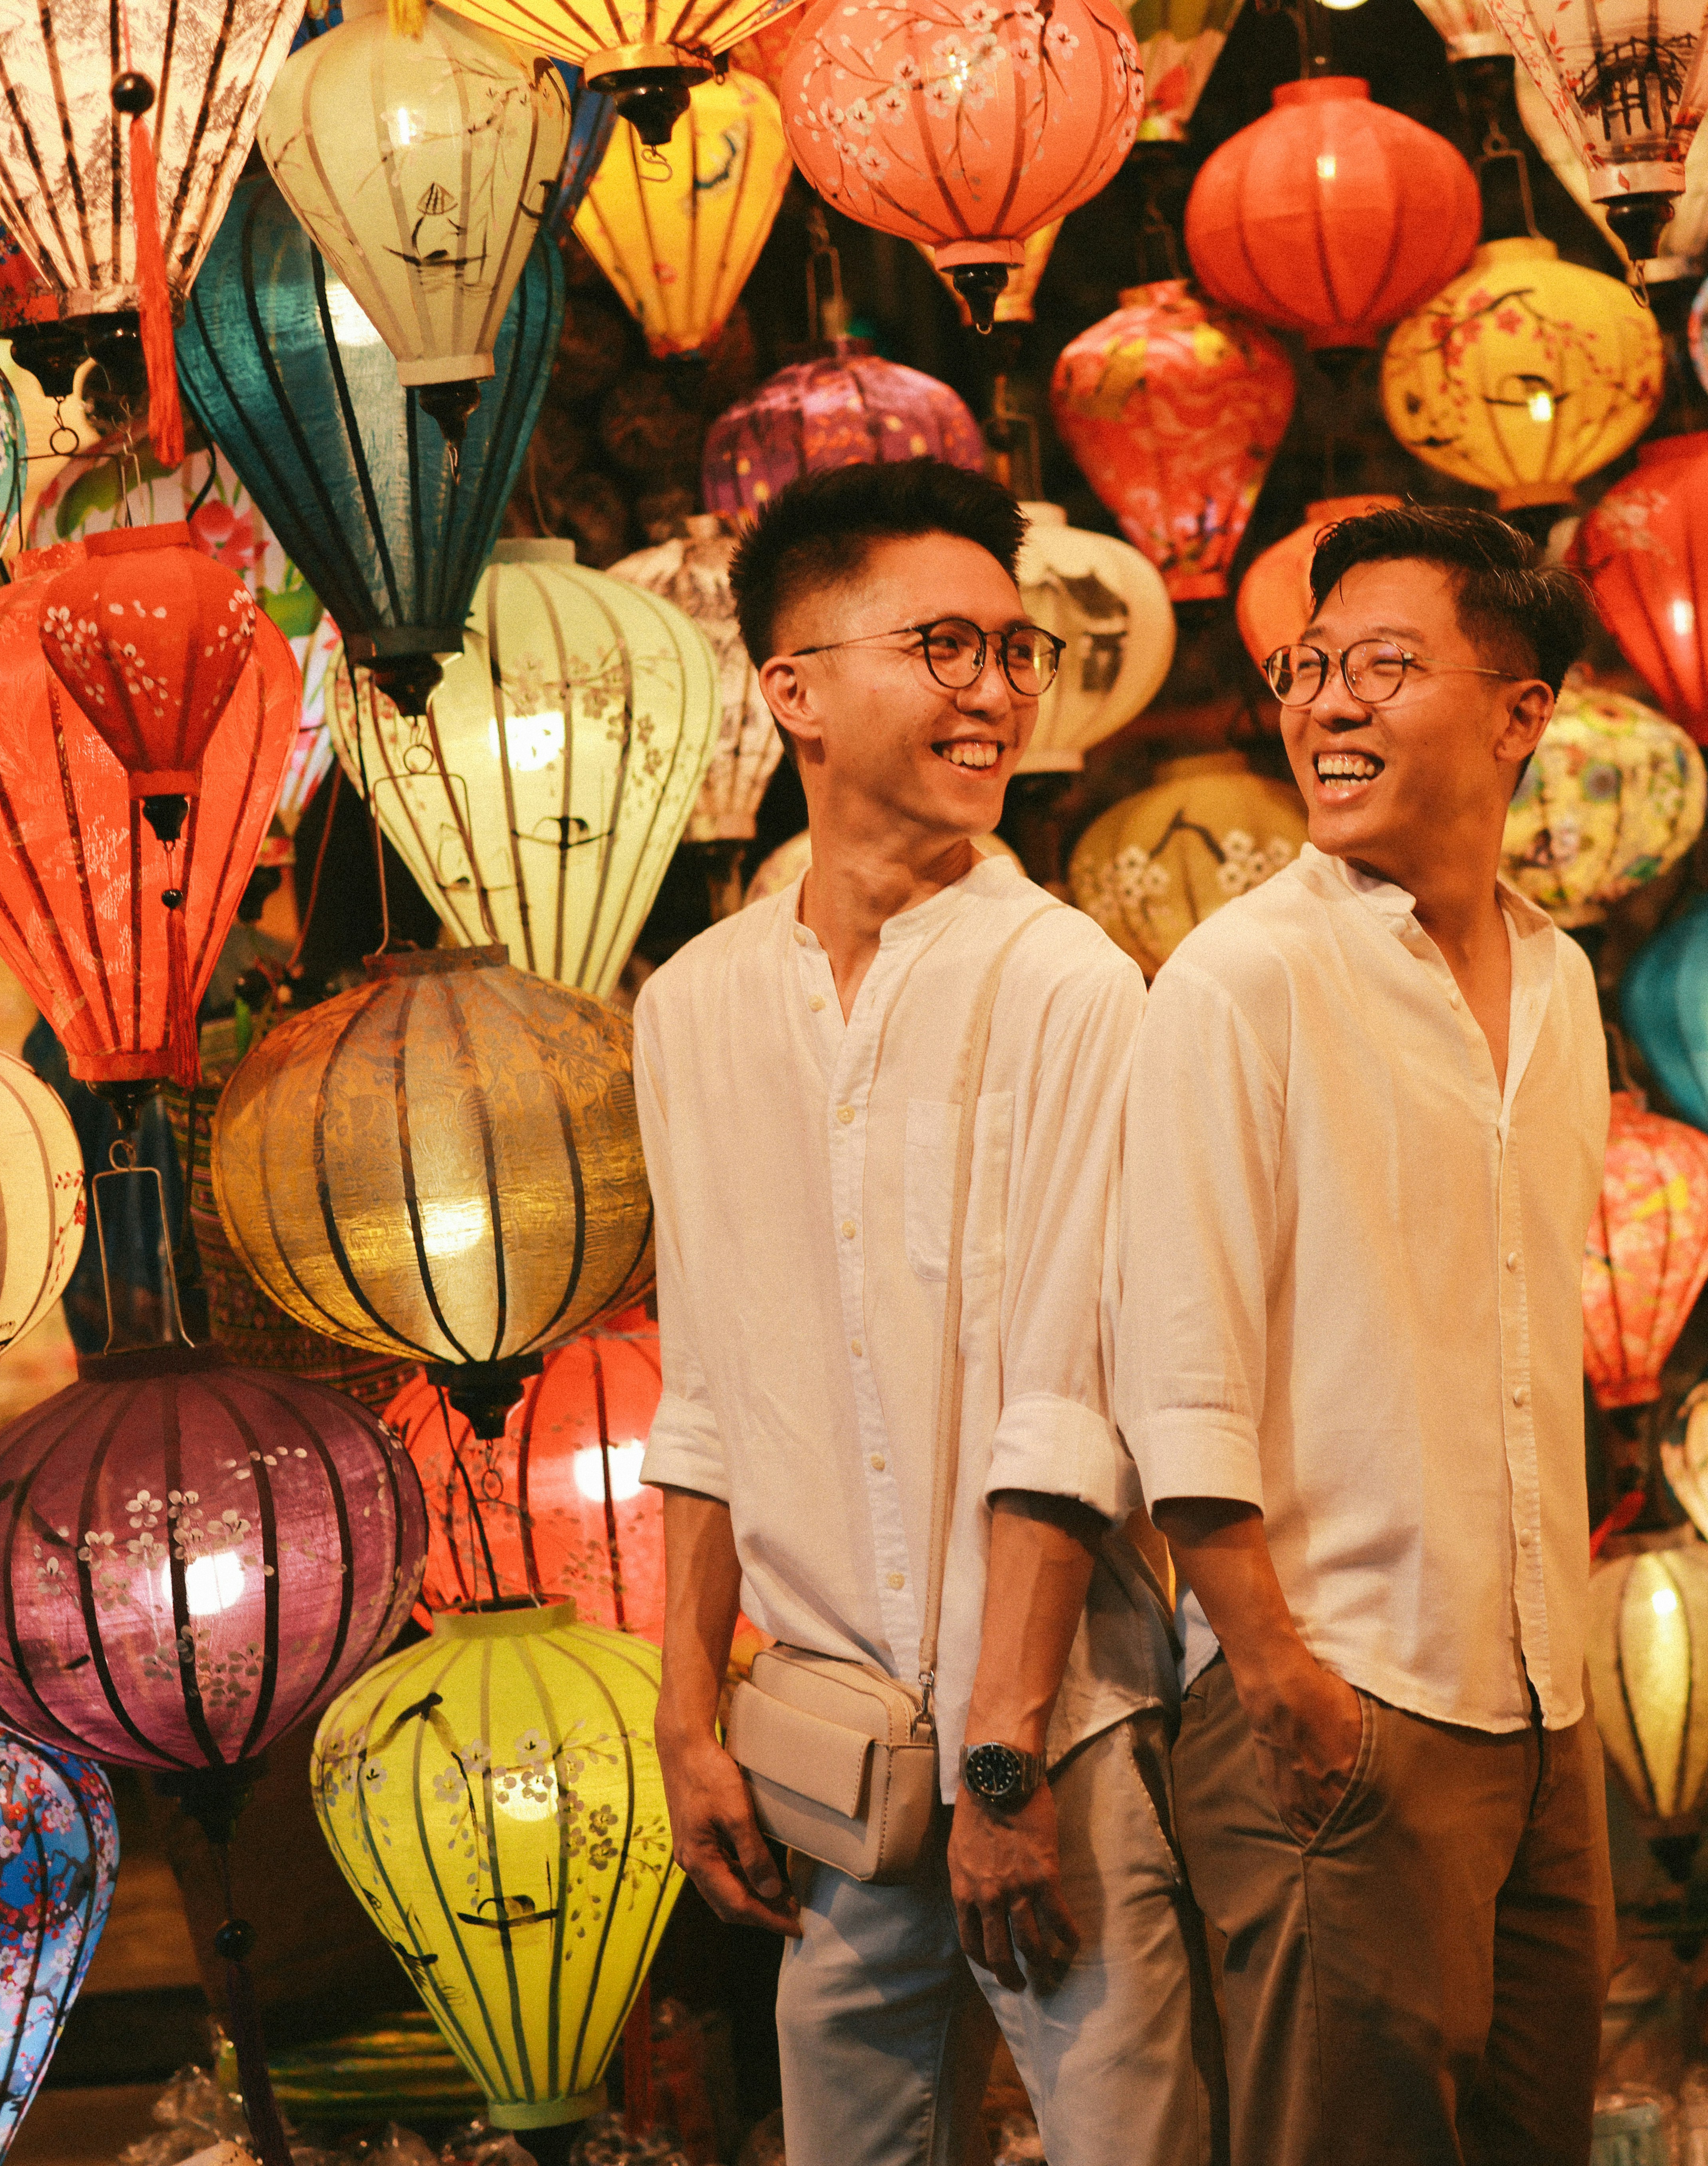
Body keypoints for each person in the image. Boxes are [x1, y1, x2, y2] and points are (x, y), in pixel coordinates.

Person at [637, 459, 1210, 2166]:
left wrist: (1008, 1758)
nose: (994, 690)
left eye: (1015, 652)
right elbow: (707, 1394)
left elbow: (1066, 1396)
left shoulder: (1066, 983)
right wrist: (686, 1716)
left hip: (1056, 1738)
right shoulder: (692, 1007)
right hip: (830, 1748)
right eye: (944, 643)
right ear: (792, 690)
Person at [1114, 503, 1615, 2166]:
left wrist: (1566, 1695)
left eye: (1382, 668)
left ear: (1518, 710)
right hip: (1342, 1693)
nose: (1326, 705)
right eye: (1309, 670)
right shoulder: (1236, 979)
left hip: (1541, 1696)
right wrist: (1268, 1663)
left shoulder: (1558, 984)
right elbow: (1175, 1347)